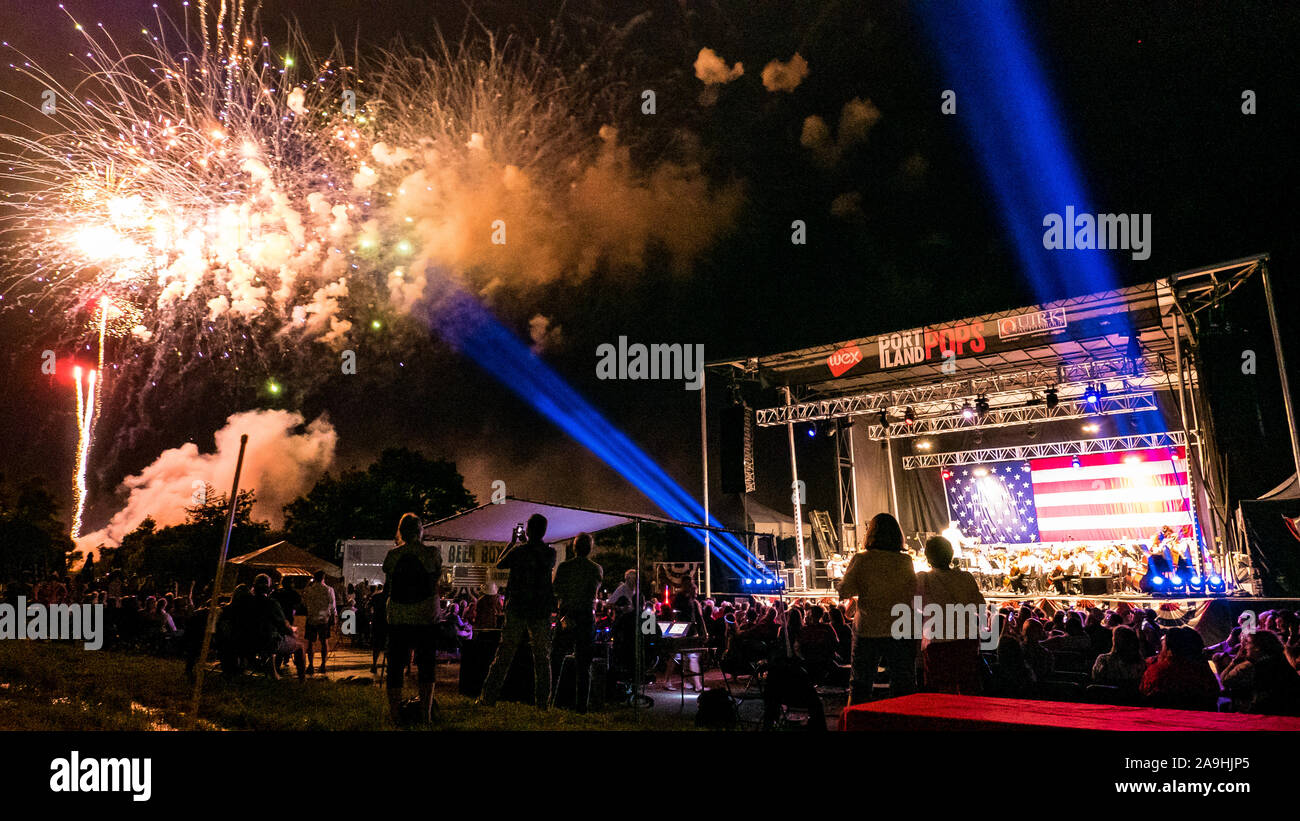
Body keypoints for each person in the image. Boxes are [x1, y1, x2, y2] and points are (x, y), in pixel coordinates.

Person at [838, 512, 919, 704]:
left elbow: (845, 591)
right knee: (903, 682)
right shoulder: (905, 561)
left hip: (869, 628)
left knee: (860, 683)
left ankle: (857, 721)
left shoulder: (862, 559)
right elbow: (913, 591)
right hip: (901, 628)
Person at [478, 514, 557, 709]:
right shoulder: (550, 553)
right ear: (544, 531)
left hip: (517, 607)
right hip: (539, 609)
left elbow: (500, 563)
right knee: (542, 657)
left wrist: (513, 542)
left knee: (504, 654)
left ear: (528, 530)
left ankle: (488, 698)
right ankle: (542, 704)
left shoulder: (519, 552)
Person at [382, 513, 444, 725]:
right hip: (426, 615)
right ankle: (425, 715)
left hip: (399, 616)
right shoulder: (432, 553)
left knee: (395, 667)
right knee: (427, 666)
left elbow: (388, 585)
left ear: (401, 531)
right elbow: (436, 579)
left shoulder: (392, 555)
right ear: (421, 531)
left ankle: (396, 716)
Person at [917, 535, 985, 695]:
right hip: (967, 640)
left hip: (937, 642)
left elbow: (915, 606)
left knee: (941, 691)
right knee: (968, 688)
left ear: (928, 556)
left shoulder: (923, 579)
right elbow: (980, 606)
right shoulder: (966, 578)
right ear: (951, 554)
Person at [551, 531, 604, 712]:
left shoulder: (564, 567)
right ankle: (581, 706)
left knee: (556, 659)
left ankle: (550, 700)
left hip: (567, 615)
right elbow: (592, 591)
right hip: (585, 617)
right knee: (584, 665)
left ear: (574, 548)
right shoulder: (596, 569)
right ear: (589, 548)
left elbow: (556, 589)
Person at [1220, 629, 1300, 716]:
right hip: (1288, 710)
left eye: (1248, 643)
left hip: (1266, 713)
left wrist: (1235, 661)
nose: (1245, 647)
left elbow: (1225, 680)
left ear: (1257, 648)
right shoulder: (1280, 660)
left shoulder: (1251, 666)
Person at [1139, 626, 1220, 711]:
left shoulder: (1158, 672)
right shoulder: (1203, 672)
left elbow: (1146, 698)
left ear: (1169, 650)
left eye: (1163, 645)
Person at [300, 570, 338, 675]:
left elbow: (303, 602)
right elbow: (332, 605)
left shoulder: (309, 590)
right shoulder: (329, 589)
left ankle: (311, 665)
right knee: (324, 642)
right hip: (323, 619)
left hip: (311, 618)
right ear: (323, 578)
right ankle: (323, 665)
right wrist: (334, 617)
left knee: (310, 643)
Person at [1091, 625, 1146, 690]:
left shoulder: (1104, 660)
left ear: (1115, 641)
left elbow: (1096, 680)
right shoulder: (1141, 663)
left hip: (1105, 697)